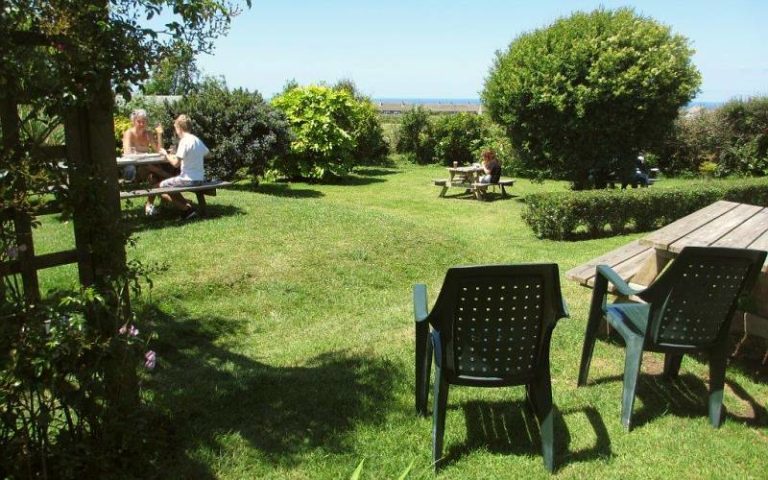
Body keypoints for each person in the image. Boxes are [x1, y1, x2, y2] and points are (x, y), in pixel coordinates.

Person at [157, 114, 209, 220]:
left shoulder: (184, 141)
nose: (176, 131)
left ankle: (187, 210)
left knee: (162, 185)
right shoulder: (196, 140)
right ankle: (186, 207)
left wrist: (166, 154)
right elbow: (208, 154)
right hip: (199, 178)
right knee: (171, 184)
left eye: (175, 128)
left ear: (179, 128)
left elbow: (176, 163)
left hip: (188, 179)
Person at [122, 109, 171, 215]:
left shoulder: (148, 133)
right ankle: (168, 188)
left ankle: (150, 206)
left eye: (144, 121)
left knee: (154, 176)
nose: (142, 124)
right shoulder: (128, 133)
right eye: (139, 121)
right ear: (133, 121)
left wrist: (159, 134)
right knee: (155, 170)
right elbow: (127, 154)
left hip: (146, 167)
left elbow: (159, 151)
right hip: (133, 171)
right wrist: (142, 156)